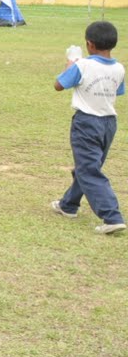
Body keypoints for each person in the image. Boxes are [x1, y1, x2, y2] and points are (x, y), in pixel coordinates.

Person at [51, 20, 127, 234]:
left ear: (89, 44)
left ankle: (112, 216)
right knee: (89, 167)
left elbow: (59, 85)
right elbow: (118, 92)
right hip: (109, 124)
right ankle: (69, 205)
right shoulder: (119, 68)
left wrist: (70, 63)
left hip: (86, 123)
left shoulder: (82, 65)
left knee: (88, 170)